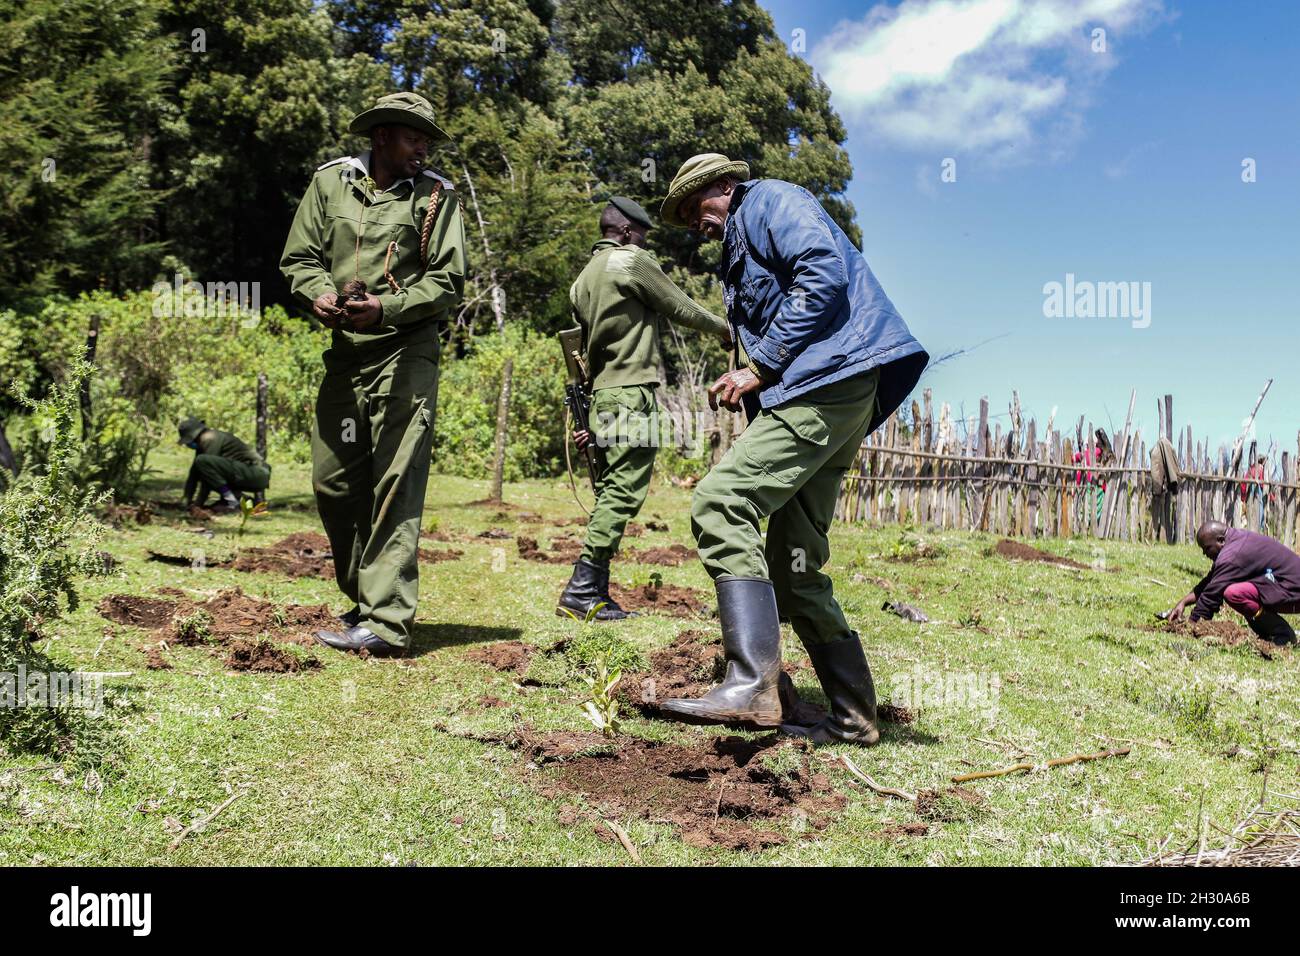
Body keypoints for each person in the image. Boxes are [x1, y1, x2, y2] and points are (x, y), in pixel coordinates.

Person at [654, 153, 928, 745]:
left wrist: (761, 363)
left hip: (826, 384)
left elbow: (823, 270)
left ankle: (751, 682)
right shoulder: (739, 245)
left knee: (719, 503)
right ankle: (851, 718)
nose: (693, 224)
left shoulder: (771, 201)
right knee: (794, 565)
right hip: (831, 390)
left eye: (694, 208)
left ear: (723, 187)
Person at [280, 92, 467, 657]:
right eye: (415, 138)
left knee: (396, 482)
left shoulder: (438, 198)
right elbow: (300, 256)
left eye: (428, 140)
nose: (423, 149)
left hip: (406, 353)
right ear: (382, 135)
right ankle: (363, 597)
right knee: (334, 482)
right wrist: (319, 295)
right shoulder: (330, 184)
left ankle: (385, 624)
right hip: (345, 354)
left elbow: (447, 281)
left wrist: (385, 308)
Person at [557, 197, 731, 621]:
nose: (645, 242)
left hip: (601, 396)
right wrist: (724, 329)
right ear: (628, 232)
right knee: (621, 492)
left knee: (610, 489)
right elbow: (679, 305)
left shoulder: (580, 281)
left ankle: (594, 590)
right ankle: (581, 589)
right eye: (644, 235)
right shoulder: (631, 262)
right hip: (632, 394)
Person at [1166, 520, 1299, 645]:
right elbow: (1212, 581)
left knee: (1234, 593)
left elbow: (1210, 596)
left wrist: (1192, 625)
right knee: (1236, 591)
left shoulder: (1231, 556)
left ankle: (1283, 634)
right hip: (1282, 584)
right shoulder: (1235, 540)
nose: (1204, 554)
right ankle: (1273, 634)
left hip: (1293, 589)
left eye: (1206, 548)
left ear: (1220, 541)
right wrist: (1183, 602)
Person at [178, 417, 270, 513]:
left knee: (205, 467)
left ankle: (231, 501)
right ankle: (245, 501)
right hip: (250, 473)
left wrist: (198, 504)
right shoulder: (203, 442)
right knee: (202, 466)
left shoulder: (209, 438)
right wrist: (186, 500)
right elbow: (194, 474)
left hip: (257, 473)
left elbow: (206, 479)